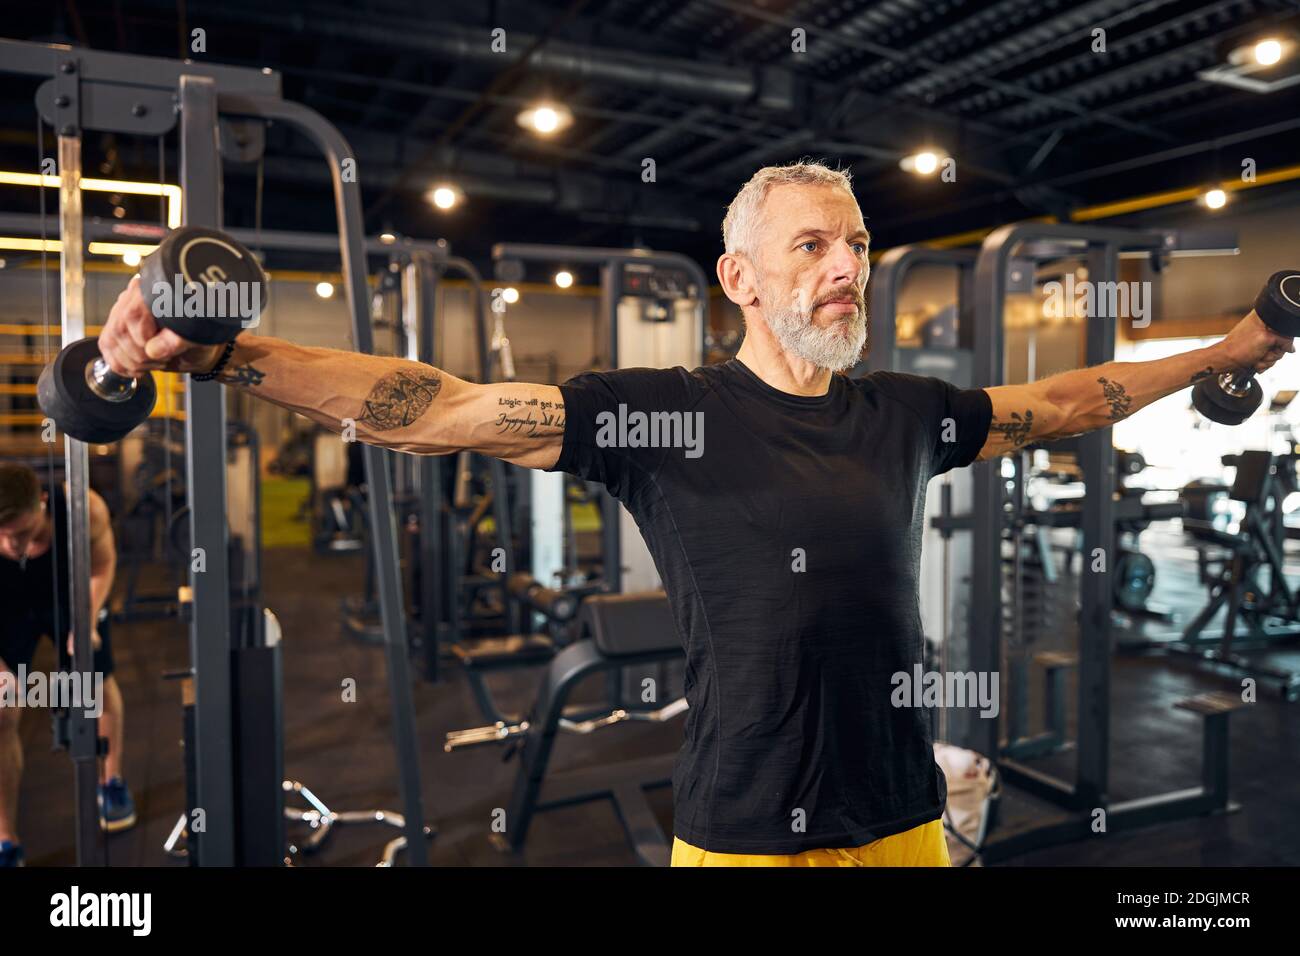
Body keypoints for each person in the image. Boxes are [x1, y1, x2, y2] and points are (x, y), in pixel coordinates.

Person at [97, 161, 1294, 867]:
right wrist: (221, 352)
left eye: (859, 244)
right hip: (738, 824)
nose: (847, 264)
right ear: (740, 277)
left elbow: (1070, 396)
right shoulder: (656, 415)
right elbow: (444, 409)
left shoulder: (906, 410)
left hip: (900, 813)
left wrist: (1237, 345)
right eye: (813, 244)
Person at [0, 463, 135, 867]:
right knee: (1, 710)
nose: (13, 545)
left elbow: (100, 566)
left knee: (94, 680)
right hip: (5, 604)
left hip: (67, 592)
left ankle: (110, 781)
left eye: (22, 534)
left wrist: (86, 619)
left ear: (42, 503)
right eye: (3, 536)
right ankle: (5, 837)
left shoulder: (84, 510)